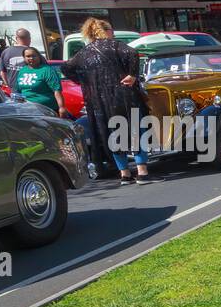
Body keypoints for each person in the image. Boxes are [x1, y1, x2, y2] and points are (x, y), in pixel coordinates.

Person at [62, 17, 155, 185]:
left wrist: (85, 81)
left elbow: (66, 67)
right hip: (124, 97)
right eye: (111, 30)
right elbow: (133, 53)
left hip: (100, 103)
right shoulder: (114, 45)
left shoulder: (83, 53)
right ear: (106, 31)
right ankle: (142, 172)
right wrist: (132, 75)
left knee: (113, 135)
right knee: (136, 131)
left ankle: (124, 174)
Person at [13, 47, 67, 117]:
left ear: (39, 56)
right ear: (24, 58)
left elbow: (57, 91)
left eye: (34, 56)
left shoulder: (47, 70)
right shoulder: (22, 70)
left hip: (47, 110)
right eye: (28, 56)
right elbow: (18, 91)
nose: (31, 58)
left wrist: (61, 108)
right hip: (27, 110)